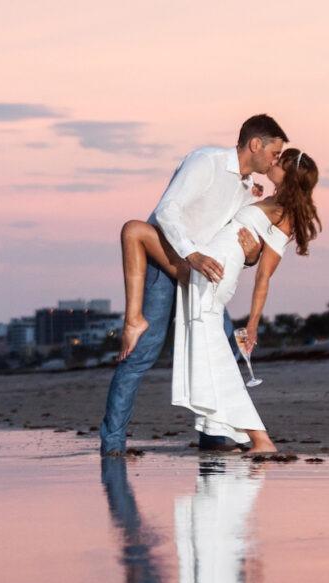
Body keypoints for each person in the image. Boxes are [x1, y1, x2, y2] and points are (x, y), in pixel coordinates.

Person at [100, 114, 287, 456]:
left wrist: (250, 256)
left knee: (225, 352)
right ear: (255, 144)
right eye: (274, 152)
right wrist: (193, 254)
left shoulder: (248, 190)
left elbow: (239, 244)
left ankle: (213, 441)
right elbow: (167, 210)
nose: (275, 160)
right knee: (142, 354)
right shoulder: (206, 161)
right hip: (163, 261)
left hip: (197, 277)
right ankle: (112, 447)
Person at [170, 148, 321, 453]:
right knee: (208, 353)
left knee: (215, 355)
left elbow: (264, 276)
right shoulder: (265, 200)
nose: (274, 162)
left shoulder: (285, 215)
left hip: (216, 272)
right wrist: (247, 197)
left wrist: (252, 324)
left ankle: (259, 438)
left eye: (281, 162)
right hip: (210, 266)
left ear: (290, 176)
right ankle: (224, 429)